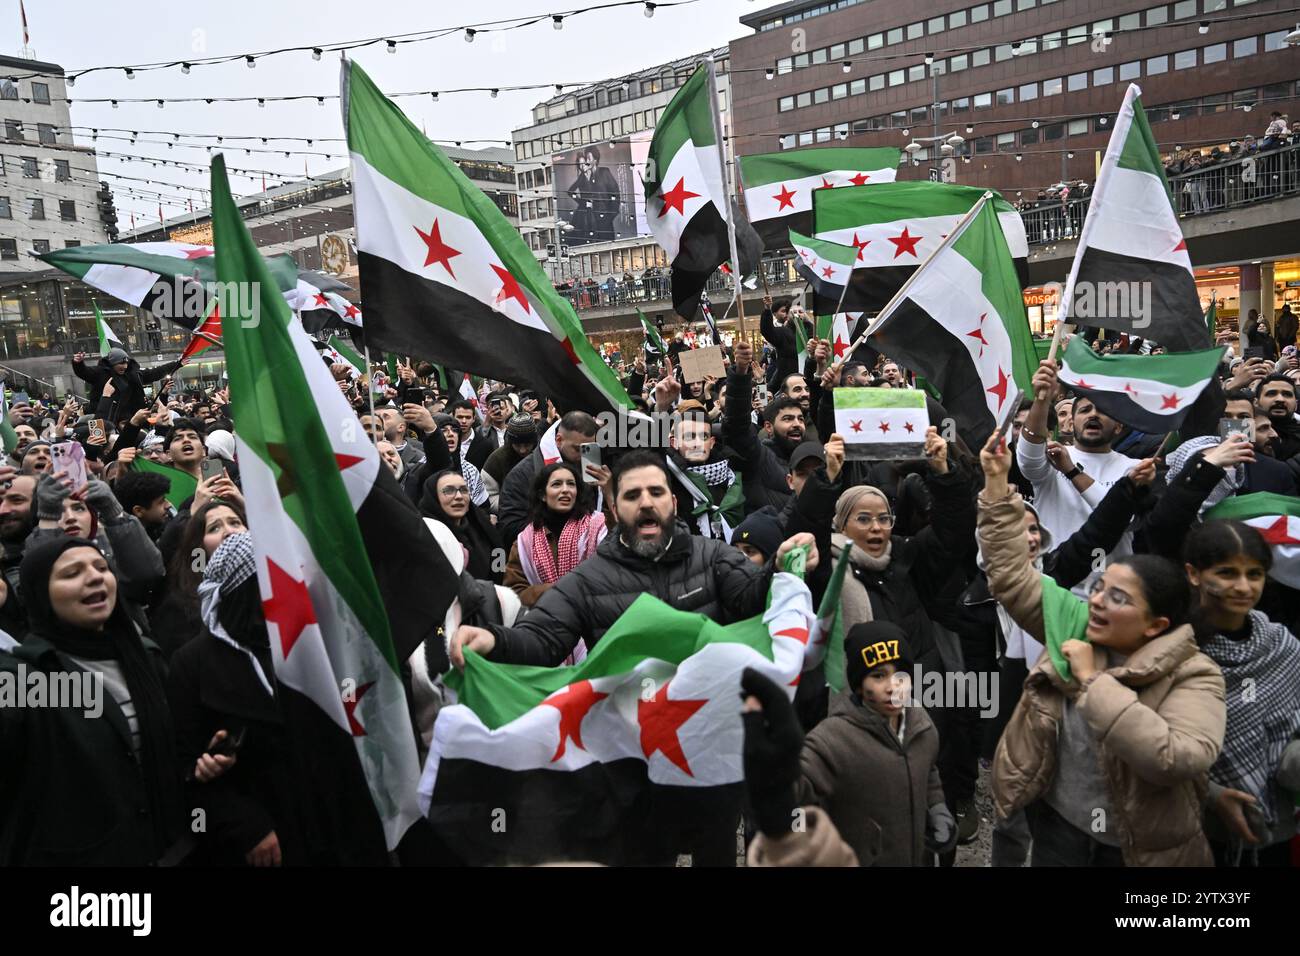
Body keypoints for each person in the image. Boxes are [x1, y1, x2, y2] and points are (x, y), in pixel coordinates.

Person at [978, 432, 1226, 866]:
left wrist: (1093, 682)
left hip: (1138, 846)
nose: (1095, 601)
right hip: (1059, 828)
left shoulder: (1193, 673)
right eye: (1100, 590)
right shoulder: (1073, 625)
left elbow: (1173, 758)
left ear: (1157, 625)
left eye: (1118, 598)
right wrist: (996, 485)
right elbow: (1011, 575)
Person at [451, 450, 818, 668]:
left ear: (673, 504)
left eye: (656, 492)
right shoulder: (588, 580)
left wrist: (778, 569)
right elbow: (542, 639)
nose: (646, 502)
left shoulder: (714, 557)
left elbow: (753, 600)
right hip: (628, 743)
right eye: (632, 495)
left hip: (707, 728)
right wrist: (494, 641)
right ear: (614, 507)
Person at [0, 536, 186, 864]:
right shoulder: (22, 679)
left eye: (102, 567)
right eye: (72, 574)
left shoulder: (146, 657)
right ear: (39, 594)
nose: (95, 577)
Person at [165, 533, 302, 866]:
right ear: (243, 591)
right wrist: (245, 826)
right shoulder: (193, 663)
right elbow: (184, 763)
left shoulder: (305, 640)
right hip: (256, 839)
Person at [1182, 521, 1300, 867]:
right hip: (1191, 829)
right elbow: (1151, 747)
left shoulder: (1283, 646)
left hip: (1276, 828)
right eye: (1227, 573)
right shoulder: (1173, 650)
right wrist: (1212, 795)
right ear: (1193, 574)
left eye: (1255, 574)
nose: (1243, 587)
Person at [792, 622, 953, 865]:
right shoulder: (832, 740)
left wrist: (937, 806)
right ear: (858, 685)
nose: (892, 687)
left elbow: (928, 768)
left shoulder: (921, 725)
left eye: (901, 676)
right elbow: (794, 796)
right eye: (878, 676)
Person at [1017, 359, 1140, 578]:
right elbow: (1028, 455)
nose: (1093, 414)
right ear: (1072, 422)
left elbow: (1123, 517)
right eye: (1085, 410)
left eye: (1103, 411)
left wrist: (1072, 472)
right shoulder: (1053, 459)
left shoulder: (1133, 468)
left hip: (1112, 590)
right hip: (1056, 586)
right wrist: (1041, 399)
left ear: (1119, 426)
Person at [503, 461, 607, 631]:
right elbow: (514, 592)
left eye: (571, 484)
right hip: (546, 628)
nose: (565, 489)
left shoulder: (599, 527)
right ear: (543, 495)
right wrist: (557, 591)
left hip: (594, 625)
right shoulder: (525, 541)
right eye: (556, 484)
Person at [149, 499, 248, 659]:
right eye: (214, 528)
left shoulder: (274, 586)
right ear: (200, 547)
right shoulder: (182, 609)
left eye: (235, 522)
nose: (229, 532)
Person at [497, 411, 600, 545]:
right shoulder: (522, 474)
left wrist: (606, 489)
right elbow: (509, 529)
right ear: (559, 440)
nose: (583, 455)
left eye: (588, 449)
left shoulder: (589, 463)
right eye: (577, 449)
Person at [419, 469, 503, 584]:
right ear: (434, 497)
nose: (459, 496)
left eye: (464, 490)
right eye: (448, 491)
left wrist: (498, 585)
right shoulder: (425, 535)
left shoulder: (482, 528)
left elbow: (499, 554)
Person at [72, 347, 182, 425]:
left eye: (126, 363)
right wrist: (78, 363)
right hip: (105, 419)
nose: (124, 366)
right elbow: (84, 372)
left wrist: (178, 364)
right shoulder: (100, 373)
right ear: (112, 363)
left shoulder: (134, 375)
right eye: (120, 363)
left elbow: (156, 372)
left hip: (131, 419)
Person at [481, 412, 538, 514]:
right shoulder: (496, 459)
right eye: (517, 445)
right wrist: (515, 506)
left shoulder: (544, 456)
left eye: (527, 444)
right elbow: (488, 496)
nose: (522, 450)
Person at [759, 295, 812, 390]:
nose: (797, 314)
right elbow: (767, 331)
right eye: (794, 312)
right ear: (788, 315)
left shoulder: (812, 331)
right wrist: (767, 309)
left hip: (809, 378)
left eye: (800, 312)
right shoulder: (783, 332)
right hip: (788, 379)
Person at [113, 471, 174, 544]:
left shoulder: (164, 528)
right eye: (161, 502)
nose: (169, 505)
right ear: (138, 511)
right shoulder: (129, 546)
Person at [1255, 374, 1300, 460]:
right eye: (1271, 394)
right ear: (1256, 403)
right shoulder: (1246, 431)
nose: (1280, 399)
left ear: (1296, 404)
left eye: (1287, 394)